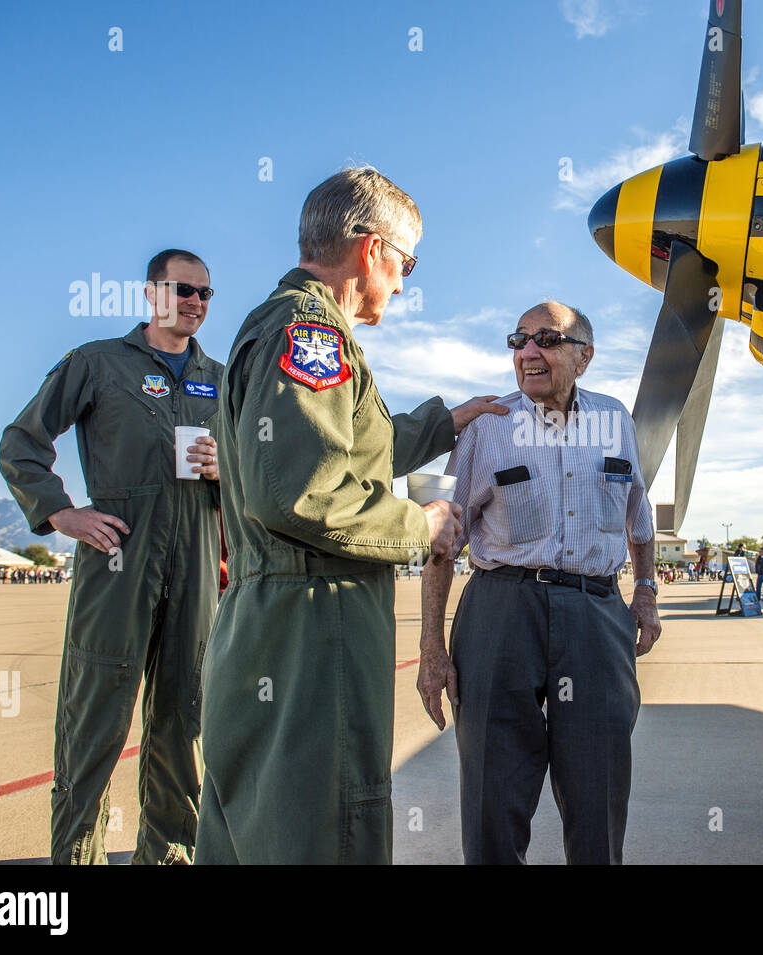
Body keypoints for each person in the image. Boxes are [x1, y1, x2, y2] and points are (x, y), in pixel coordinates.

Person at [195, 166, 505, 865]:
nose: (402, 283)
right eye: (406, 263)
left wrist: (446, 421)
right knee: (325, 827)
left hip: (265, 621)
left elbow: (346, 449)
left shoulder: (276, 324)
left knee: (254, 828)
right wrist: (417, 525)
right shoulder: (312, 331)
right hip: (313, 630)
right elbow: (304, 492)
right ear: (371, 250)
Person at [0, 249, 224, 865]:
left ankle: (171, 856)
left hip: (198, 568)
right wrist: (60, 512)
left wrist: (225, 469)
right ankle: (75, 862)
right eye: (184, 291)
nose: (196, 304)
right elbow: (22, 442)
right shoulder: (99, 363)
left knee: (186, 724)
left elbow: (262, 472)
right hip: (117, 561)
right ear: (152, 294)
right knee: (94, 719)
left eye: (206, 294)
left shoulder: (224, 380)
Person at [418, 301, 660, 865]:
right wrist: (432, 646)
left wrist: (644, 593)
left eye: (547, 340)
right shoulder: (487, 426)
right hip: (502, 611)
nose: (528, 353)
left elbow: (639, 519)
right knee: (492, 790)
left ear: (585, 356)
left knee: (598, 788)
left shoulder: (614, 419)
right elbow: (442, 542)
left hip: (595, 613)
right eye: (519, 340)